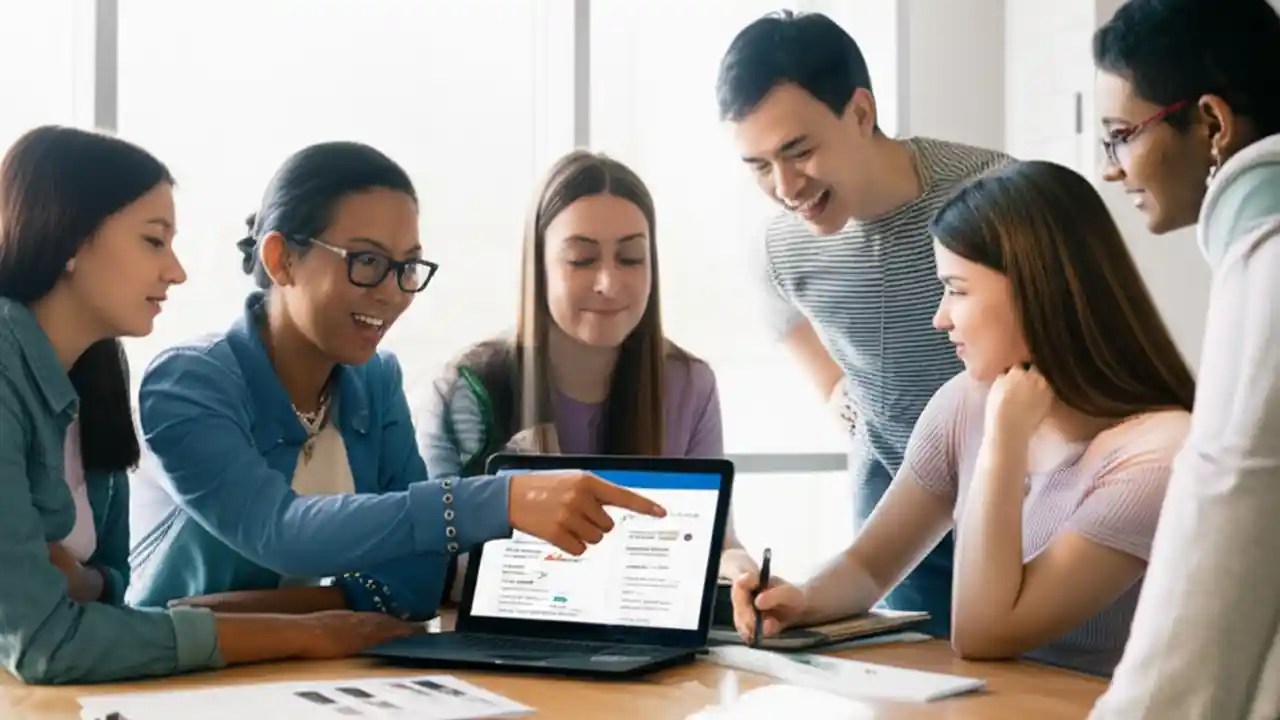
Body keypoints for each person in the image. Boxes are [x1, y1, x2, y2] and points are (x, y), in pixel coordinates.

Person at [128, 142, 664, 619]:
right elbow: (280, 531)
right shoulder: (188, 383)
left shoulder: (373, 382)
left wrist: (291, 613)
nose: (392, 293)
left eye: (407, 266)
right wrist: (501, 501)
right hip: (173, 682)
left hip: (305, 677)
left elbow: (417, 580)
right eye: (366, 261)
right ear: (281, 258)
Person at [729, 160, 1196, 676]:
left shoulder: (1159, 455)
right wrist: (799, 600)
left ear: (1036, 290)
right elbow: (868, 565)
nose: (940, 317)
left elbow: (984, 633)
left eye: (957, 289)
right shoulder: (966, 401)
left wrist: (1004, 442)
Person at [0, 126, 422, 685]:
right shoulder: (178, 378)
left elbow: (111, 592)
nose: (176, 270)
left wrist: (86, 585)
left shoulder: (98, 372)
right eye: (154, 241)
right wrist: (308, 631)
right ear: (71, 238)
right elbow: (45, 642)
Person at [715, 10, 1010, 635]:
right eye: (759, 166)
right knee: (912, 674)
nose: (786, 186)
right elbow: (782, 320)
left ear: (860, 113)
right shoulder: (781, 248)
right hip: (898, 489)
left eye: (799, 151)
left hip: (1024, 482)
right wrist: (834, 388)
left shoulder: (992, 193)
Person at [415, 151, 723, 600]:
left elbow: (711, 541)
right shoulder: (464, 388)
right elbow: (432, 559)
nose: (608, 283)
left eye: (632, 258)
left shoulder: (690, 385)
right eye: (581, 260)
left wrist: (740, 571)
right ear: (538, 266)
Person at [1089, 0, 1280, 715]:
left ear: (1211, 123)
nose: (1112, 170)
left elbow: (1227, 516)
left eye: (1120, 137)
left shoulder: (1267, 263)